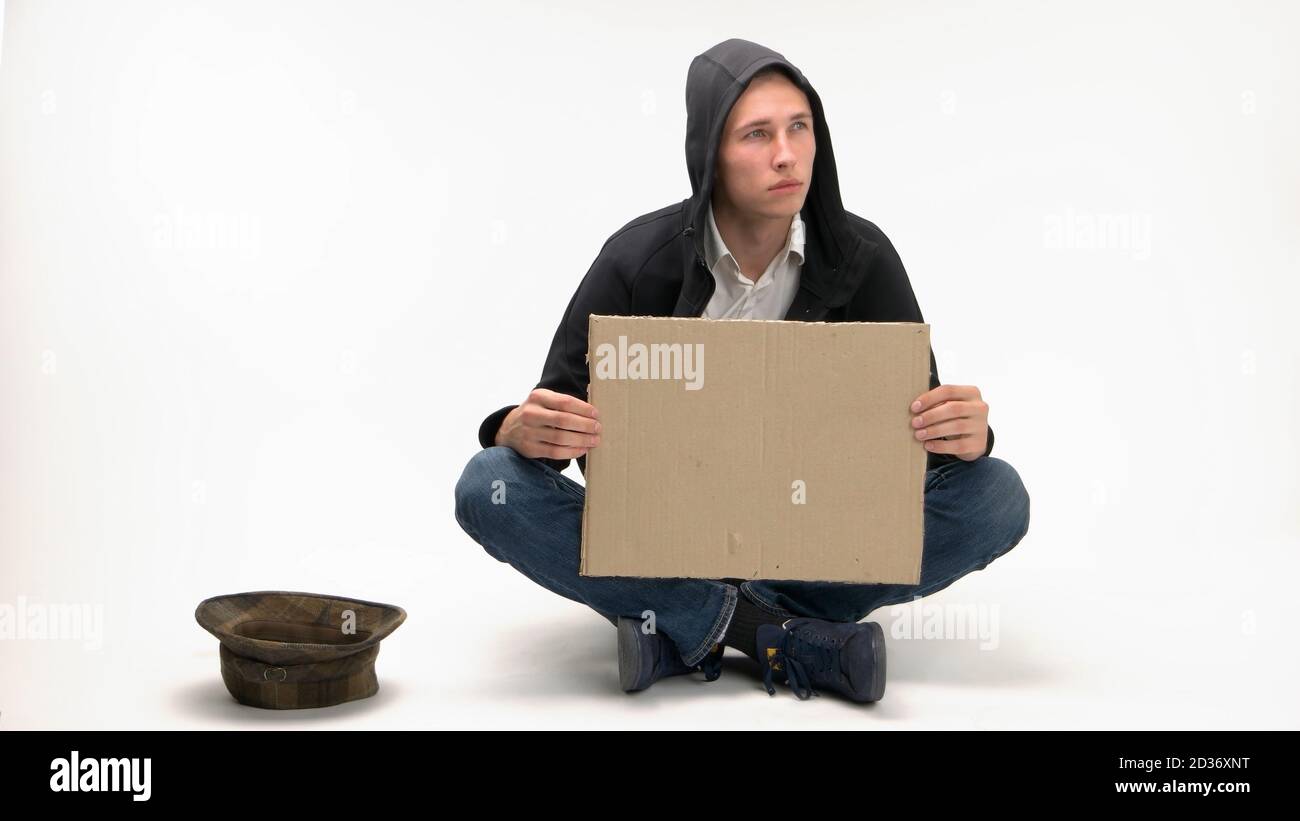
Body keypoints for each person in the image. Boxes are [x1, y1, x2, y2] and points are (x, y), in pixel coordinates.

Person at [454, 38, 1031, 703]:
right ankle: (781, 634)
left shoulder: (862, 259)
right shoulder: (638, 260)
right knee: (488, 483)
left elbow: (922, 454)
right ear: (710, 155)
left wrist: (969, 435)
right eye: (757, 135)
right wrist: (515, 429)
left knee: (997, 495)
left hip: (813, 542)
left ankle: (684, 623)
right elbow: (547, 435)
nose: (786, 155)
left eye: (799, 128)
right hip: (662, 539)